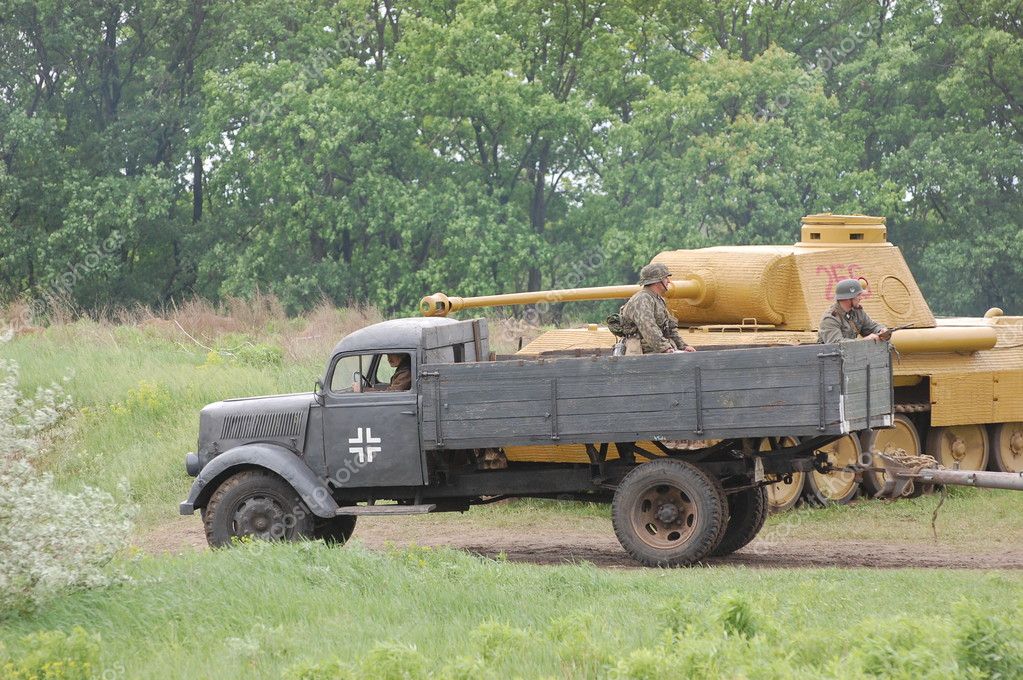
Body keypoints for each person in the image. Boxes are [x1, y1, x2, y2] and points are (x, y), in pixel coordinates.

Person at [618, 263, 696, 355]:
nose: (669, 281)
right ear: (657, 281)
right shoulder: (642, 299)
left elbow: (669, 328)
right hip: (642, 354)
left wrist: (683, 346)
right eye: (666, 278)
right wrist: (664, 348)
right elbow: (648, 327)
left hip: (655, 352)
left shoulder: (658, 299)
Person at [818, 279, 888, 344]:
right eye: (858, 295)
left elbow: (871, 327)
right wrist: (863, 341)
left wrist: (881, 330)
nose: (861, 298)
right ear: (848, 298)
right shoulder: (830, 319)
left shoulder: (857, 312)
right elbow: (835, 344)